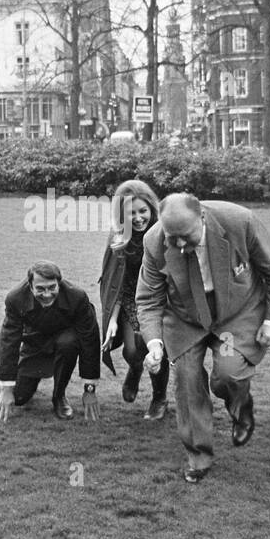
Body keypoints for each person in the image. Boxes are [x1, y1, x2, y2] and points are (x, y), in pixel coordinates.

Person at [137, 194, 270, 483]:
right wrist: (154, 344)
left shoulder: (240, 222)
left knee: (228, 375)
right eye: (173, 238)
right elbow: (148, 298)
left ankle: (241, 407)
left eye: (186, 236)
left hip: (235, 313)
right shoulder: (154, 241)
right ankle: (198, 455)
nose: (180, 245)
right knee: (186, 379)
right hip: (185, 319)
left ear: (203, 218)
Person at [0, 261, 101, 423]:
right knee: (19, 398)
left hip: (65, 342)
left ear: (59, 284)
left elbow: (90, 341)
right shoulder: (15, 299)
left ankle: (59, 396)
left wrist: (90, 389)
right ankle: (33, 376)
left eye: (52, 287)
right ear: (30, 286)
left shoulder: (77, 297)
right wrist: (6, 388)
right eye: (40, 289)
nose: (47, 294)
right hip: (34, 343)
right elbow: (9, 341)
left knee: (69, 342)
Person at [98, 180, 170, 421]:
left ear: (152, 210)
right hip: (131, 299)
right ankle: (135, 368)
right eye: (132, 213)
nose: (139, 218)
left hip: (160, 300)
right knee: (131, 350)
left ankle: (159, 398)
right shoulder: (119, 238)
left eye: (143, 211)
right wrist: (113, 320)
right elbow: (116, 282)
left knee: (154, 346)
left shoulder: (164, 233)